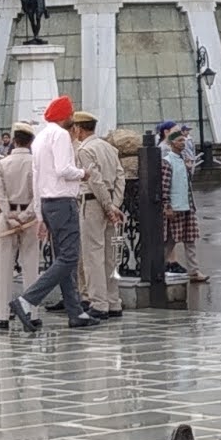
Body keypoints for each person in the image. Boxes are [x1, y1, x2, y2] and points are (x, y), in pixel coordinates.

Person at [9, 97, 96, 331]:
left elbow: (36, 179)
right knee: (68, 257)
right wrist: (83, 173)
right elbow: (63, 169)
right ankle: (27, 299)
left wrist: (39, 214)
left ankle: (75, 311)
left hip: (47, 202)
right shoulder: (60, 136)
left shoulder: (39, 139)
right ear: (64, 116)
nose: (73, 117)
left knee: (62, 257)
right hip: (63, 200)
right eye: (71, 113)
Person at [72, 111, 125, 320]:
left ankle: (99, 303)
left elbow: (94, 180)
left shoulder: (85, 150)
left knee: (92, 255)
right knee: (110, 256)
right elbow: (120, 176)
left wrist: (107, 206)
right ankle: (113, 301)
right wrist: (115, 204)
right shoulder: (109, 147)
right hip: (112, 201)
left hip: (94, 203)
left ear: (78, 129)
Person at [0, 124, 39, 329]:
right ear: (30, 141)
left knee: (4, 268)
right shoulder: (35, 163)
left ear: (15, 140)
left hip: (7, 215)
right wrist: (26, 215)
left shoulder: (2, 163)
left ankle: (2, 315)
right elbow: (38, 193)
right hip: (29, 217)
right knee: (31, 266)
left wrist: (9, 216)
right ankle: (32, 312)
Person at [158, 122, 208, 284]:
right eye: (179, 141)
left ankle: (194, 271)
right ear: (172, 143)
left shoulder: (183, 160)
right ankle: (157, 269)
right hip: (175, 207)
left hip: (187, 205)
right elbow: (164, 185)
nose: (183, 143)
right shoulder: (167, 161)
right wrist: (167, 205)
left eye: (183, 140)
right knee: (170, 240)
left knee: (190, 239)